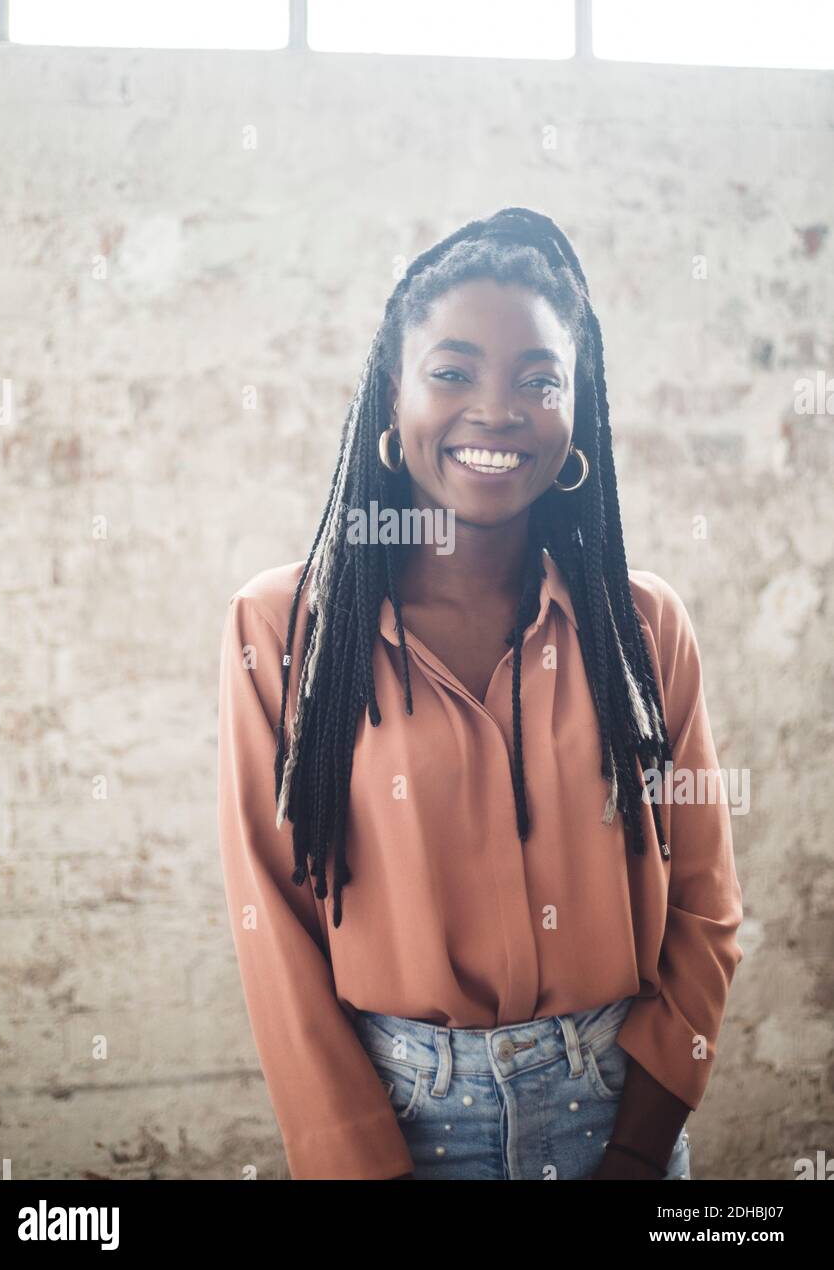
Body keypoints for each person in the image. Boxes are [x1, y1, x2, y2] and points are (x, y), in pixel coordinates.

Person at [216, 206, 744, 1180]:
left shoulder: (641, 626)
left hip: (617, 1110)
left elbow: (705, 907)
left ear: (576, 408)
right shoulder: (283, 629)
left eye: (537, 379)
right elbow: (274, 934)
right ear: (390, 393)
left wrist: (634, 1152)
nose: (495, 409)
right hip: (406, 1121)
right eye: (451, 370)